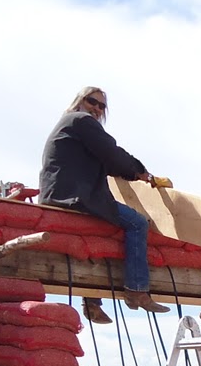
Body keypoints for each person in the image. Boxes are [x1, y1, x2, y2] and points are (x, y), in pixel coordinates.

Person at [39, 87, 169, 322]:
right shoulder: (82, 121)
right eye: (92, 101)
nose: (97, 108)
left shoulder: (70, 125)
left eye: (102, 106)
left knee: (99, 236)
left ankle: (91, 301)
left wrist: (133, 172)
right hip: (74, 196)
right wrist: (140, 171)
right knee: (138, 224)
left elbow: (105, 161)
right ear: (79, 101)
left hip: (60, 194)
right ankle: (137, 290)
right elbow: (111, 153)